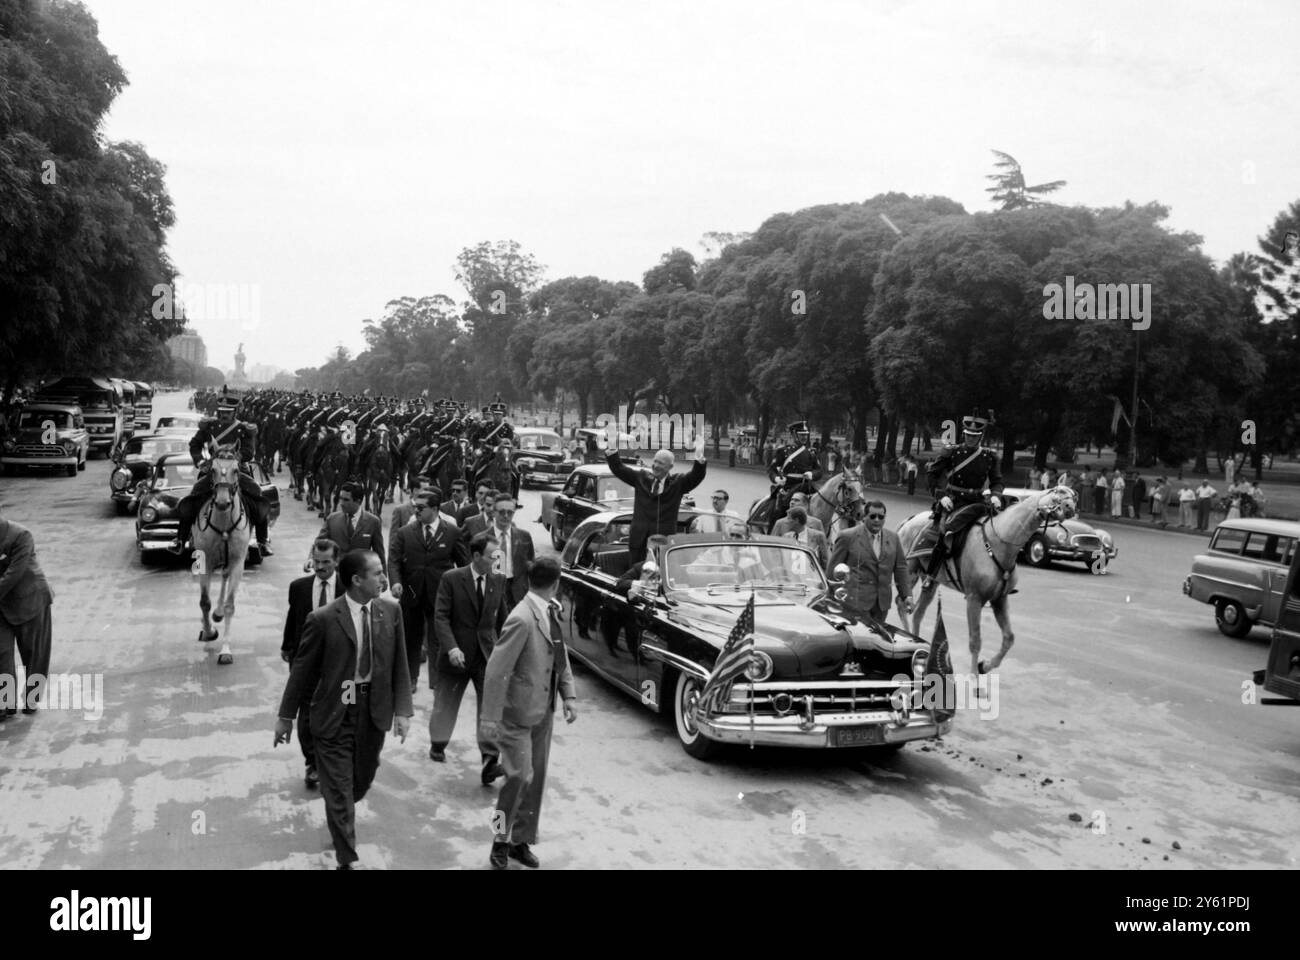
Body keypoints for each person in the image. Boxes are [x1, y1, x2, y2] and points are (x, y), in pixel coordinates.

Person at [274, 550, 412, 870]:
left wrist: (403, 710)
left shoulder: (390, 612)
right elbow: (301, 672)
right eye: (377, 573)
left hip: (372, 708)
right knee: (339, 790)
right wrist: (285, 717)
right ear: (356, 580)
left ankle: (343, 810)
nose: (384, 578)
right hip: (335, 709)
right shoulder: (323, 619)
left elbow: (399, 665)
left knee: (359, 781)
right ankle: (346, 857)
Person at [480, 557, 577, 870]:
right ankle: (499, 839)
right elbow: (496, 671)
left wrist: (568, 696)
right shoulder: (521, 618)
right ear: (556, 583)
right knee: (517, 778)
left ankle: (520, 842)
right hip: (516, 716)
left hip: (542, 713)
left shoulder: (550, 612)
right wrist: (490, 719)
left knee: (535, 782)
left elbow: (560, 656)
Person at [430, 532, 509, 778]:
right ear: (476, 556)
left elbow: (503, 620)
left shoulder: (498, 580)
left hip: (487, 655)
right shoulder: (452, 578)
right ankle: (438, 744)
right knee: (446, 705)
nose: (496, 560)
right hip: (457, 654)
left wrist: (506, 652)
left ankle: (488, 760)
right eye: (492, 556)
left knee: (490, 709)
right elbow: (441, 616)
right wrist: (452, 647)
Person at [388, 494, 466, 693]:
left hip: (440, 595)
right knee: (410, 639)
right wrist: (396, 582)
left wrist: (459, 591)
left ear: (435, 508)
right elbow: (394, 560)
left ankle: (437, 680)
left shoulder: (452, 532)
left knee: (438, 639)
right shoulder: (405, 532)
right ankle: (410, 679)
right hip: (411, 593)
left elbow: (463, 565)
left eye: (421, 508)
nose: (416, 511)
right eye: (415, 507)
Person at [173, 401, 273, 557]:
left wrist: (234, 458)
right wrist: (200, 461)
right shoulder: (209, 427)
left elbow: (249, 450)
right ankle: (181, 539)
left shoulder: (243, 428)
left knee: (257, 496)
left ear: (234, 412)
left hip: (236, 470)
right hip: (213, 470)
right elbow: (194, 444)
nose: (224, 415)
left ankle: (262, 541)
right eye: (221, 411)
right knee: (192, 498)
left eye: (228, 412)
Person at [282, 539, 344, 787]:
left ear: (336, 561)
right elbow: (292, 618)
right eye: (316, 562)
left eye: (326, 562)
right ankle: (313, 763)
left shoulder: (349, 587)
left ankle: (338, 760)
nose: (320, 567)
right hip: (307, 663)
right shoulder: (298, 587)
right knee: (306, 715)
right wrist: (287, 646)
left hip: (344, 666)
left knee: (347, 708)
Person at [921, 411, 1003, 586]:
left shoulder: (989, 456)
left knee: (999, 531)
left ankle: (999, 576)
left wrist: (996, 496)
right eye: (968, 435)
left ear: (981, 436)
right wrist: (941, 496)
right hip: (953, 500)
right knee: (945, 533)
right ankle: (931, 573)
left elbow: (997, 481)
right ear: (964, 434)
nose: (971, 438)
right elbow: (932, 475)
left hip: (978, 501)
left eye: (975, 436)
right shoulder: (951, 452)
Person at [603, 442, 707, 565]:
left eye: (661, 463)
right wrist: (612, 449)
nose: (656, 466)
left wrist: (699, 456)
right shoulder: (641, 477)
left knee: (659, 577)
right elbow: (619, 468)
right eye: (655, 461)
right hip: (638, 542)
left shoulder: (678, 483)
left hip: (662, 543)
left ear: (670, 466)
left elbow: (696, 475)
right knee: (636, 574)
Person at [0, 512, 55, 719]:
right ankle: (6, 703)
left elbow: (13, 574)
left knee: (34, 655)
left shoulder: (21, 535)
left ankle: (32, 701)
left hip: (30, 601)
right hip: (2, 605)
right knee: (1, 653)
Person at [828, 500, 912, 624]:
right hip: (854, 603)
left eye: (881, 517)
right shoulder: (847, 537)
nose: (877, 520)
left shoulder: (893, 538)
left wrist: (907, 595)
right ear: (864, 517)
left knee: (877, 641)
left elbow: (901, 568)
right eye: (872, 516)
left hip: (881, 605)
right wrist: (834, 599)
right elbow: (832, 570)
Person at [306, 481, 385, 572]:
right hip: (336, 575)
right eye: (341, 499)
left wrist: (382, 579)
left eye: (346, 500)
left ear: (358, 501)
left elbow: (379, 554)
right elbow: (319, 542)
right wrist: (311, 558)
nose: (341, 503)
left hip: (360, 576)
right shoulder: (332, 519)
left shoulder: (373, 522)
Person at [766, 421, 823, 532]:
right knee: (778, 510)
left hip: (807, 486)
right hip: (788, 486)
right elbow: (771, 469)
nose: (804, 437)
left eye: (805, 435)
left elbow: (819, 471)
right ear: (794, 435)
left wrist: (812, 474)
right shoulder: (783, 451)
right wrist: (777, 478)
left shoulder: (811, 452)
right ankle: (772, 533)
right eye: (801, 435)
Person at [487, 492, 535, 608]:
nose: (506, 516)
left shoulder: (524, 536)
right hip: (492, 591)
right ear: (493, 513)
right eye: (502, 512)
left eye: (510, 512)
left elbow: (530, 563)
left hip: (517, 592)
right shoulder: (483, 539)